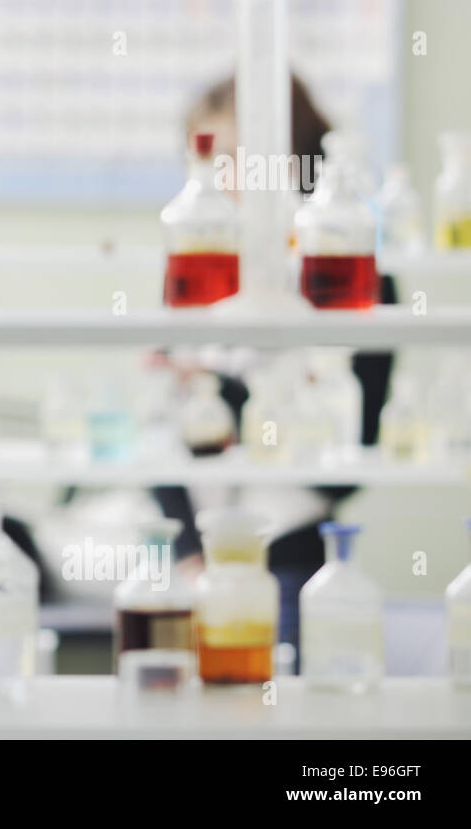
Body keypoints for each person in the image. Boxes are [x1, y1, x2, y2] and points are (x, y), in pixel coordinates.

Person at [157, 73, 396, 668]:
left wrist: (220, 387)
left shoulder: (357, 280)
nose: (216, 183)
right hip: (192, 552)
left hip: (288, 555)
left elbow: (343, 471)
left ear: (293, 160)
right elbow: (159, 438)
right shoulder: (196, 272)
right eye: (207, 160)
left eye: (235, 160)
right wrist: (188, 550)